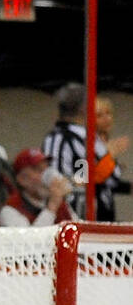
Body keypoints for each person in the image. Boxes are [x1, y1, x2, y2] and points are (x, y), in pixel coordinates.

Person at [42, 82, 130, 218]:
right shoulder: (85, 138)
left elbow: (81, 175)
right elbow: (100, 178)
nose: (106, 119)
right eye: (99, 114)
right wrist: (109, 157)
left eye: (108, 113)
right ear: (86, 108)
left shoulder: (52, 137)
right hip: (82, 213)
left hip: (61, 210)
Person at [1, 148, 74, 227]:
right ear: (21, 179)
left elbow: (80, 230)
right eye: (38, 170)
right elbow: (30, 238)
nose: (47, 175)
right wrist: (52, 207)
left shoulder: (60, 204)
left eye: (46, 169)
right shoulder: (10, 209)